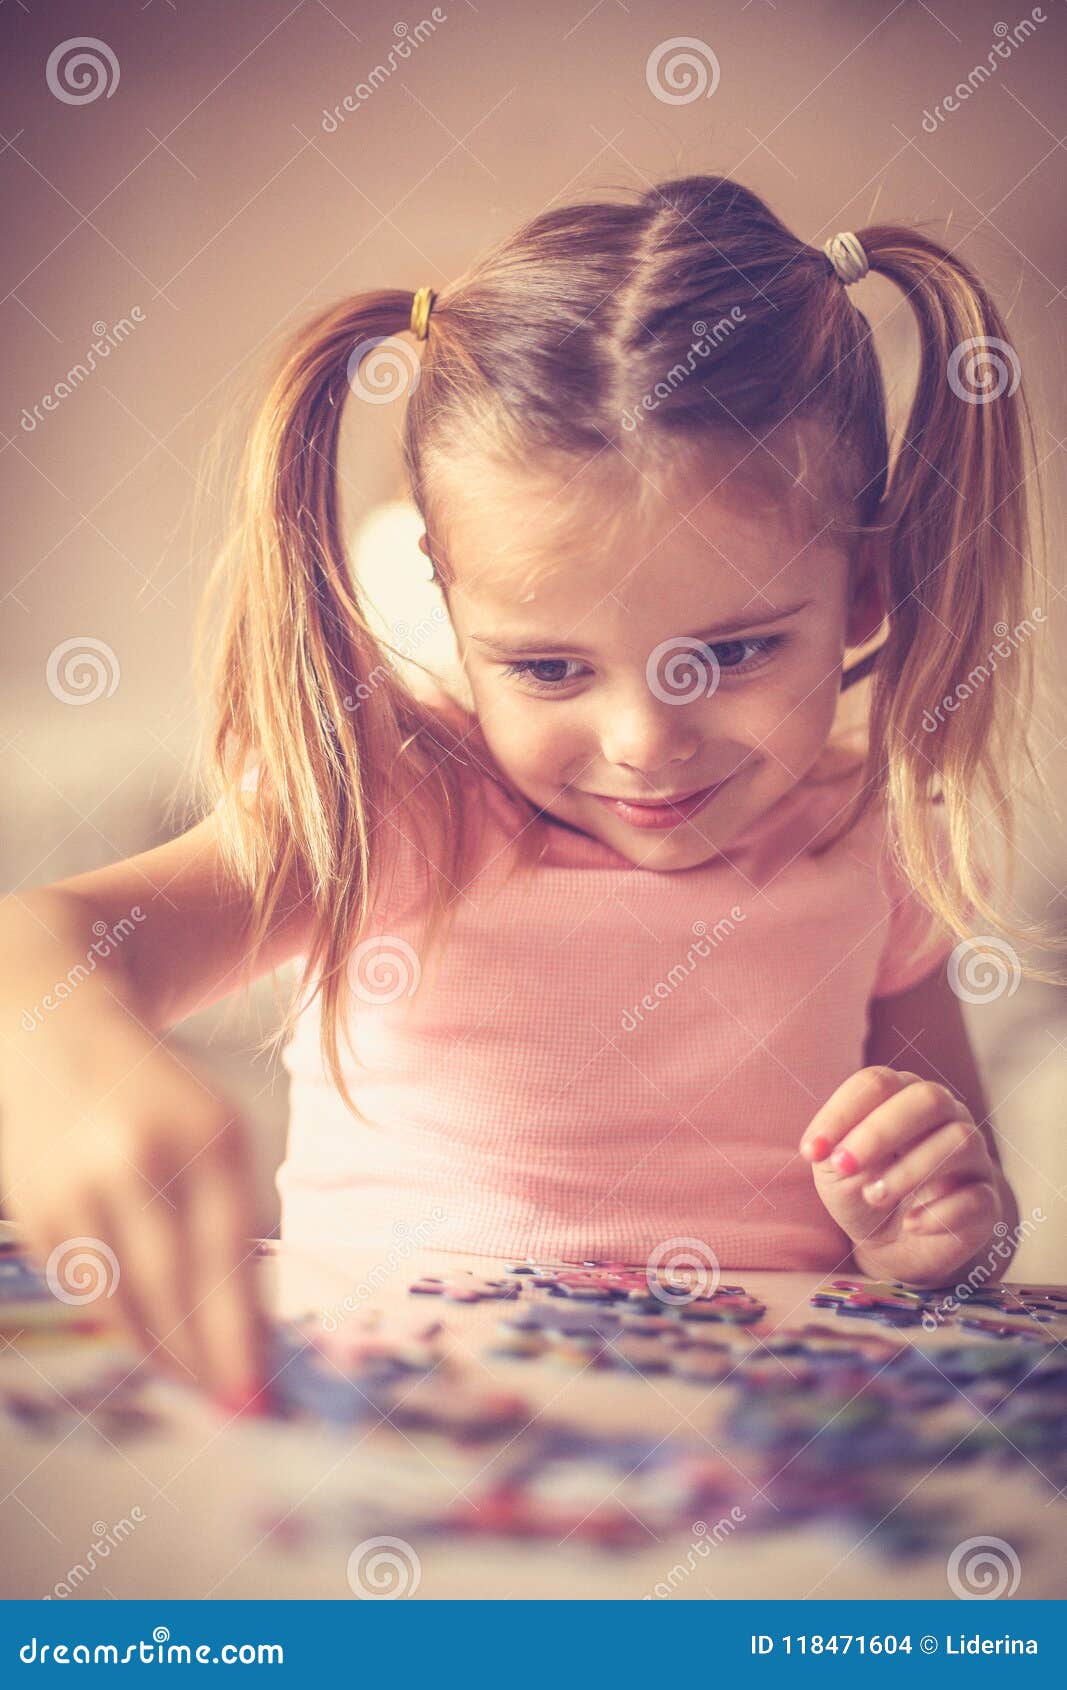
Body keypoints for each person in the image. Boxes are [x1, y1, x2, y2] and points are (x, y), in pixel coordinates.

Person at [1, 176, 1059, 1410]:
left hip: (757, 1475)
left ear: (864, 590)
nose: (643, 741)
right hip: (388, 1457)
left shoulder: (876, 844)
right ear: (454, 614)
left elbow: (965, 1244)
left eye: (730, 654)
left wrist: (937, 1230)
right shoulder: (386, 802)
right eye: (549, 667)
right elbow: (42, 945)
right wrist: (52, 1051)